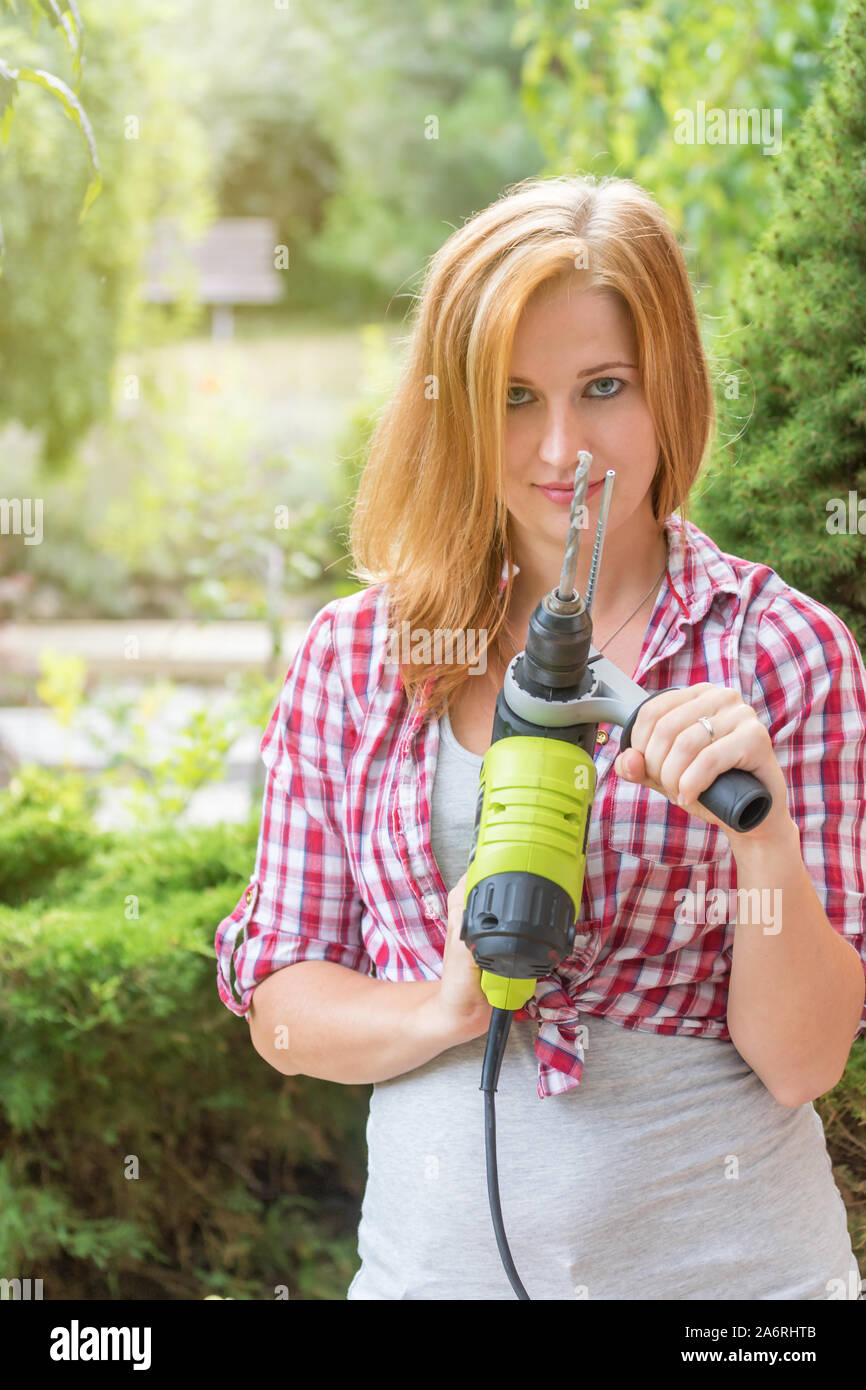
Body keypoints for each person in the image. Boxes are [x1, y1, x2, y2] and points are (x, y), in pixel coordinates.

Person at [214, 174, 866, 1301]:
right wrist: (443, 1003)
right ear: (454, 405)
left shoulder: (781, 653)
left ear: (670, 389)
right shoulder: (356, 657)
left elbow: (802, 1059)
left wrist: (761, 840)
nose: (561, 446)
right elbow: (282, 1007)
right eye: (513, 397)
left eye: (602, 387)